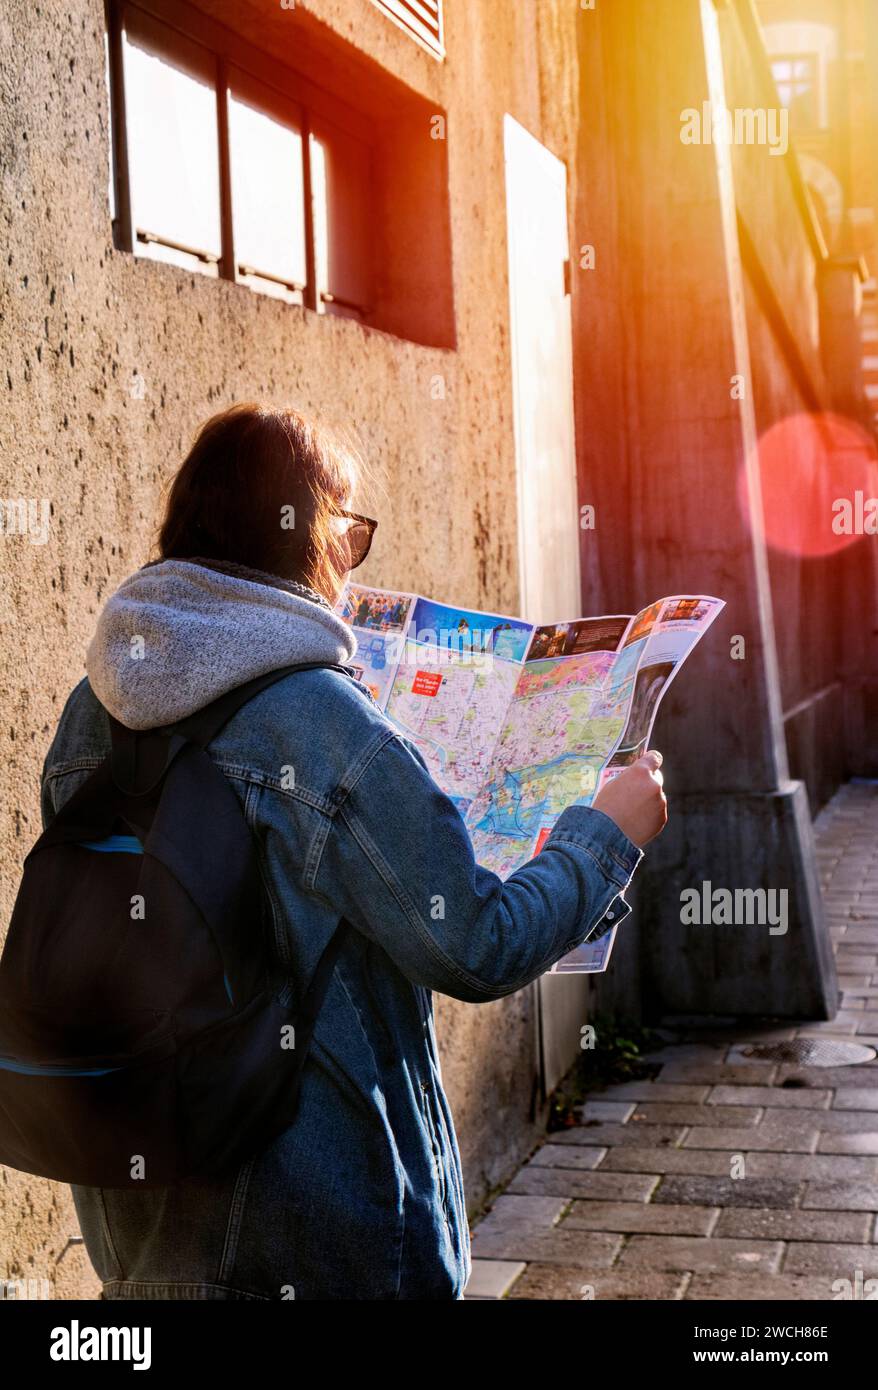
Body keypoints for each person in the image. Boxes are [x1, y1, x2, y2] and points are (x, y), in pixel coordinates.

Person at [40, 402, 667, 1301]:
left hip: (139, 1229)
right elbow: (475, 943)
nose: (351, 563)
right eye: (351, 533)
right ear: (303, 540)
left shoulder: (87, 714)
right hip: (321, 1236)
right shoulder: (323, 724)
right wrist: (603, 837)